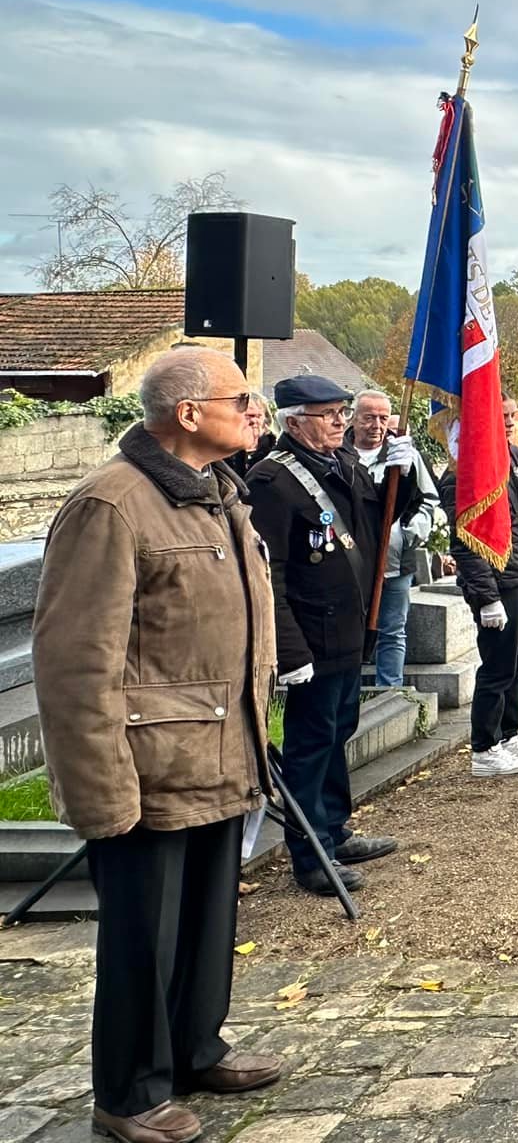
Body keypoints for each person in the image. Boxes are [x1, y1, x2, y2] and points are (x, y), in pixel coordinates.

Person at [31, 347, 282, 1143]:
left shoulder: (219, 496)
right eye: (242, 398)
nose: (256, 411)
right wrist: (100, 791)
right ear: (186, 412)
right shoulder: (111, 505)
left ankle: (195, 1046)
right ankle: (129, 1094)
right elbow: (76, 663)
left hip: (218, 753)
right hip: (146, 770)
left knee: (207, 920)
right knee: (143, 936)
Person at [248, 375, 416, 895]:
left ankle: (336, 829)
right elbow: (268, 572)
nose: (342, 422)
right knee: (311, 742)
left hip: (349, 629)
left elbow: (378, 522)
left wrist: (402, 478)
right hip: (312, 638)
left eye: (344, 413)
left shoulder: (341, 464)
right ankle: (310, 852)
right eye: (330, 415)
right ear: (295, 421)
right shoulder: (271, 482)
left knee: (338, 732)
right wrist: (290, 649)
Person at [446, 397, 518, 778]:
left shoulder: (515, 456)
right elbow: (465, 541)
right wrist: (487, 598)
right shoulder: (465, 471)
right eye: (501, 416)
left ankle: (509, 733)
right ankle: (484, 746)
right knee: (497, 666)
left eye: (512, 415)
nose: (509, 422)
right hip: (497, 580)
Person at [351, 388, 441, 689]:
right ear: (353, 419)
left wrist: (408, 531)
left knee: (393, 629)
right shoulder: (341, 455)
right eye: (368, 418)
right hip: (353, 564)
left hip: (395, 562)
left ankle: (390, 690)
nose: (376, 425)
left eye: (382, 417)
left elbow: (429, 500)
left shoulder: (405, 455)